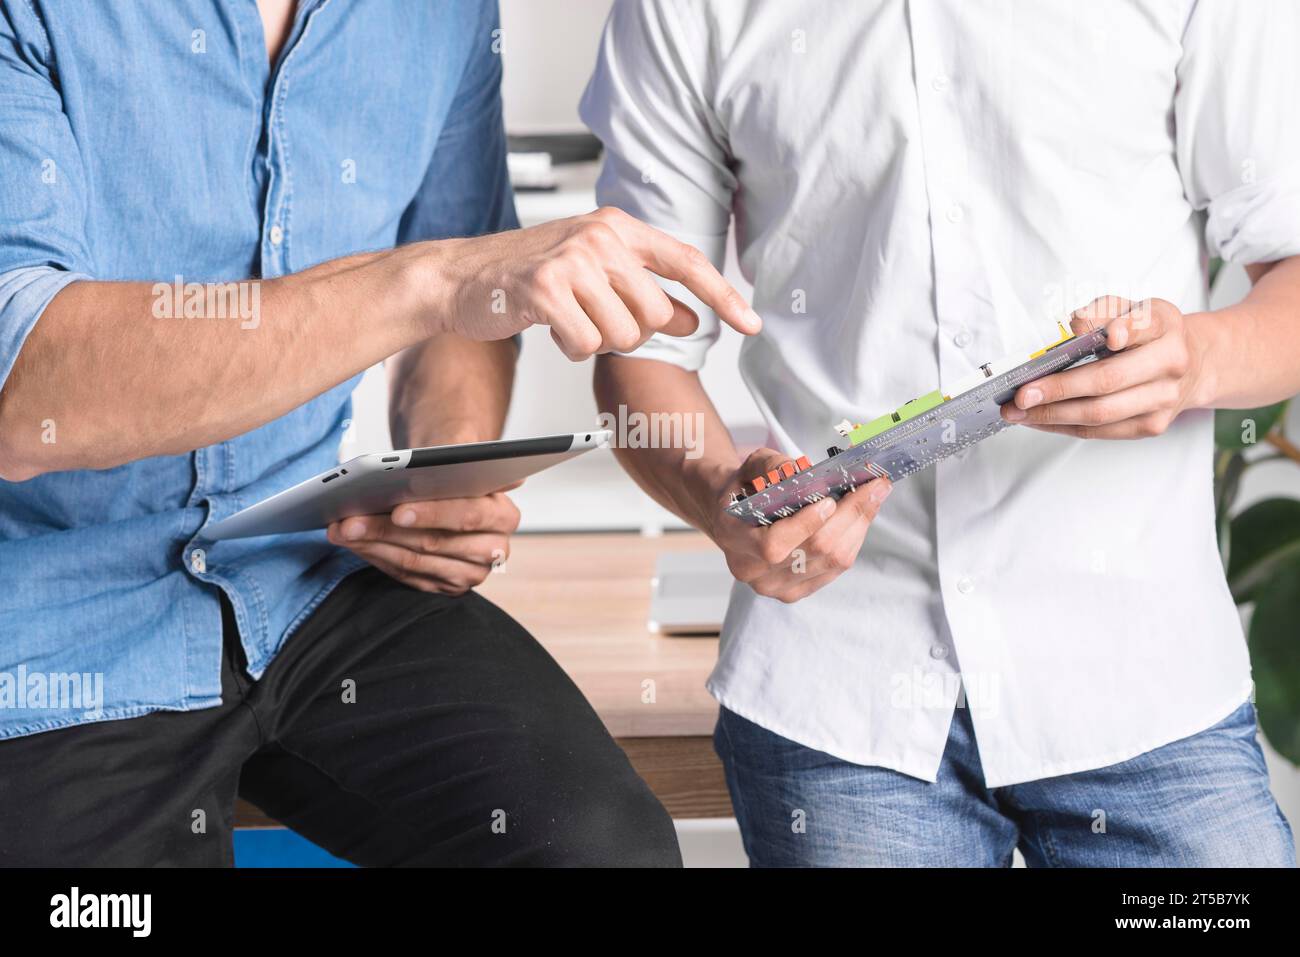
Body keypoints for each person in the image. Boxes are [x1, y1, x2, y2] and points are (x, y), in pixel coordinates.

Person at [0, 0, 758, 867]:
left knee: (601, 847)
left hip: (305, 574)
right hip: (48, 620)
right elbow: (24, 393)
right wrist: (429, 277)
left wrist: (441, 477)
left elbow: (467, 303)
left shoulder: (442, 15)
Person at [581, 0, 1299, 866]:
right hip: (841, 695)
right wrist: (717, 491)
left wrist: (1200, 357)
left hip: (1144, 674)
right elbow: (644, 354)